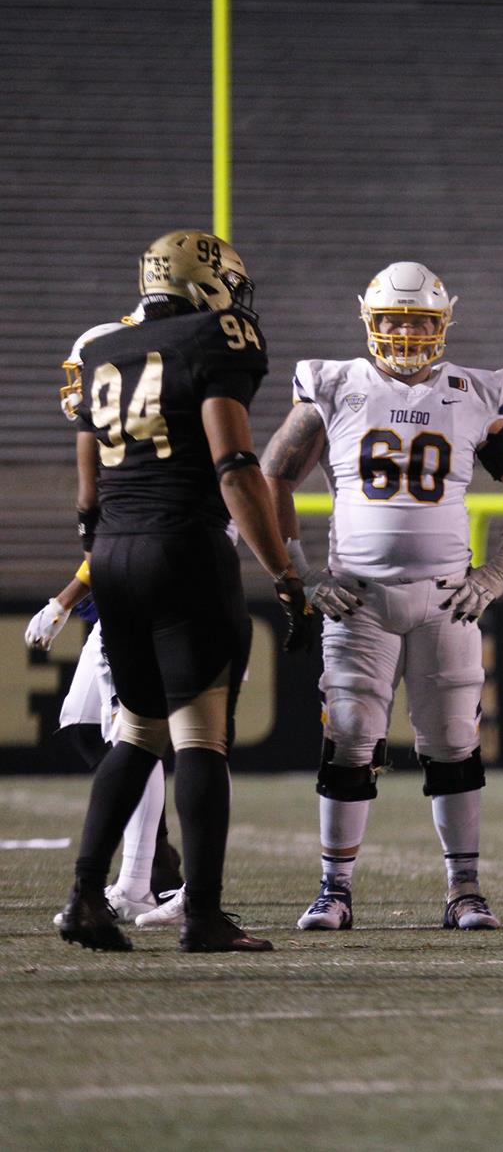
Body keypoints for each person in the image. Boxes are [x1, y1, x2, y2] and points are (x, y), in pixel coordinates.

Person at [58, 229, 309, 954]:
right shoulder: (217, 338)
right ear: (210, 286)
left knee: (136, 732)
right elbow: (234, 465)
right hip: (182, 549)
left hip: (114, 550)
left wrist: (97, 539)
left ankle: (82, 898)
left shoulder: (106, 347)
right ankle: (202, 912)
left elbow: (86, 480)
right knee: (201, 736)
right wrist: (285, 575)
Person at [262, 262, 503, 933]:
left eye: (420, 321)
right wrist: (299, 573)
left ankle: (465, 889)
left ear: (445, 322)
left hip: (445, 597)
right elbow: (270, 477)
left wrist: (497, 573)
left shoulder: (475, 390)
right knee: (349, 737)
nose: (406, 333)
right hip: (359, 598)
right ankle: (334, 888)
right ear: (368, 322)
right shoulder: (336, 384)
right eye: (393, 321)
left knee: (455, 742)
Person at [34, 316, 184, 925]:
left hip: (145, 590)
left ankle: (142, 875)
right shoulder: (108, 436)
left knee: (135, 736)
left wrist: (65, 599)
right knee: (85, 722)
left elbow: (126, 530)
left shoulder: (141, 439)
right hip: (124, 587)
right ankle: (159, 859)